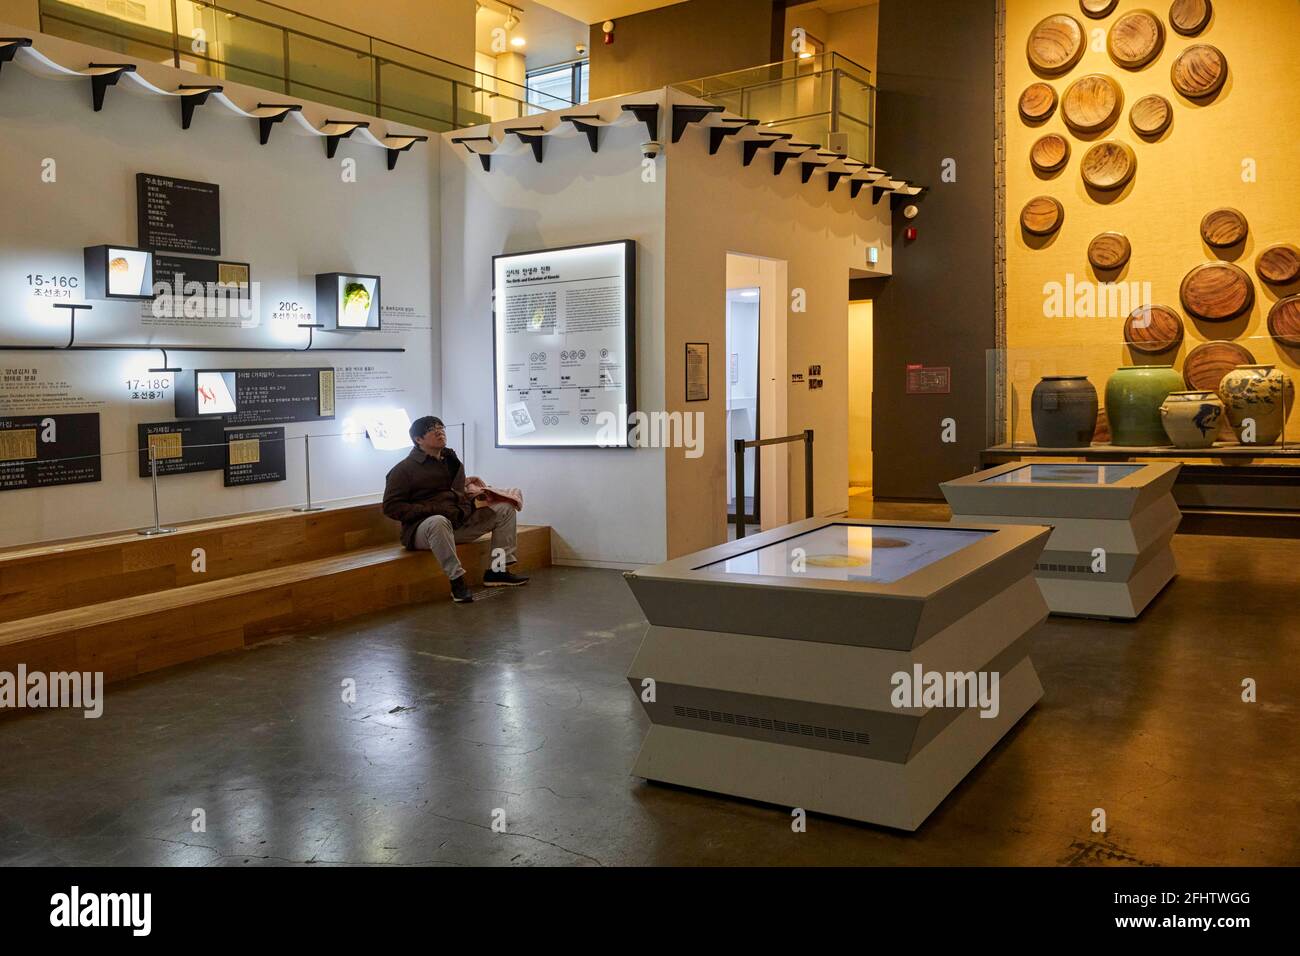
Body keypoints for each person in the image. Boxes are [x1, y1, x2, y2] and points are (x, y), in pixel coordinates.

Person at [382, 416, 528, 604]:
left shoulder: (451, 460)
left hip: (457, 522)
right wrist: (434, 509)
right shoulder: (403, 470)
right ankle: (457, 581)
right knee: (438, 521)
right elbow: (391, 507)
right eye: (431, 429)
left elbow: (457, 492)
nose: (439, 431)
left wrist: (470, 500)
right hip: (422, 531)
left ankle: (498, 571)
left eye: (440, 427)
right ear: (418, 440)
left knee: (505, 508)